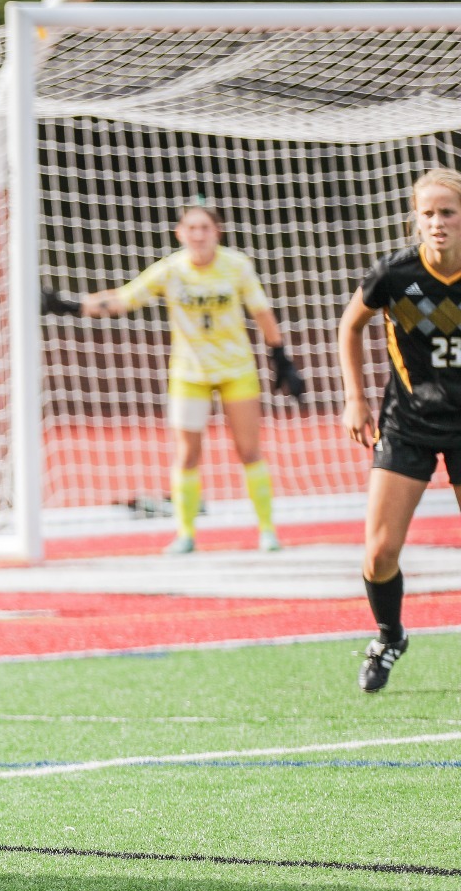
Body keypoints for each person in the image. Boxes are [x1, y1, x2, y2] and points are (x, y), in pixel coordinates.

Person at [74, 204, 301, 555]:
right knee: (187, 454)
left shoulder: (236, 265)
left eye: (205, 228)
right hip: (189, 373)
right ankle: (185, 534)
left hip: (235, 370)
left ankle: (267, 530)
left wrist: (280, 357)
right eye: (191, 228)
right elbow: (124, 298)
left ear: (217, 232)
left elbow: (261, 312)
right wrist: (73, 305)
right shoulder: (171, 270)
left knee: (248, 450)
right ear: (180, 233)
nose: (198, 235)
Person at [337, 167, 461, 692]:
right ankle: (389, 635)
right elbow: (350, 324)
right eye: (428, 213)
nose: (437, 222)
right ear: (415, 219)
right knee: (379, 552)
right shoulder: (395, 274)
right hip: (406, 423)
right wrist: (355, 398)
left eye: (448, 212)